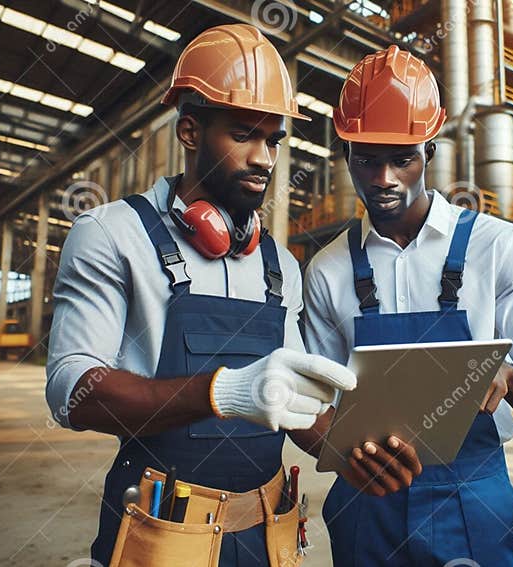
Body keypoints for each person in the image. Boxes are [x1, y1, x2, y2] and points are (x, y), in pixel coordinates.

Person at [45, 24, 355, 566]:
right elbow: (74, 390)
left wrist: (356, 450)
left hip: (269, 535)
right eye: (243, 134)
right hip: (160, 535)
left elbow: (290, 406)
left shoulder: (280, 265)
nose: (264, 157)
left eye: (274, 140)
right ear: (190, 132)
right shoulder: (112, 234)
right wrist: (223, 393)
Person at [299, 45, 513, 566]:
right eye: (367, 160)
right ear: (346, 157)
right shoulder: (327, 271)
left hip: (473, 497)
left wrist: (505, 375)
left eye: (402, 159)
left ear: (429, 153)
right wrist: (342, 455)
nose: (384, 178)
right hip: (367, 504)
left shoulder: (496, 247)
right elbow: (313, 410)